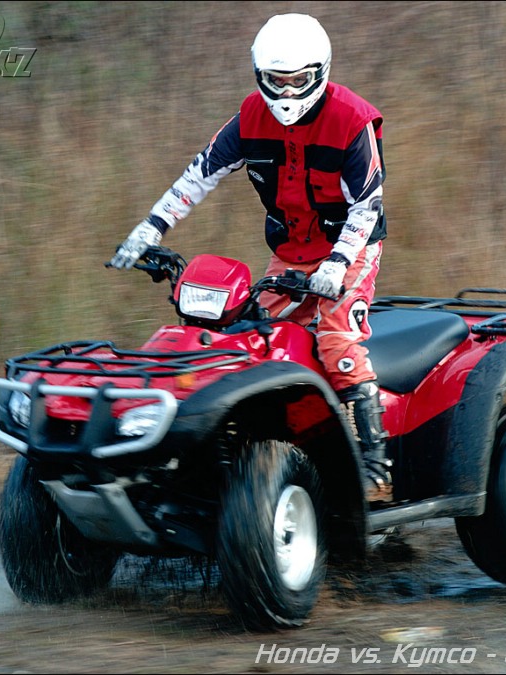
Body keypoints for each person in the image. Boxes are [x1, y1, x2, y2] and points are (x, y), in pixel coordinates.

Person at [109, 13, 393, 503]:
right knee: (247, 337)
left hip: (351, 249)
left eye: (297, 82)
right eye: (275, 82)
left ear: (319, 73)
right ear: (260, 76)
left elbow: (368, 205)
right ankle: (228, 455)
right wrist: (148, 230)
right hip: (290, 250)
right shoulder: (249, 119)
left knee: (336, 344)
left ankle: (375, 469)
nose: (285, 94)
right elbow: (199, 175)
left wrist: (337, 264)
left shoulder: (352, 121)